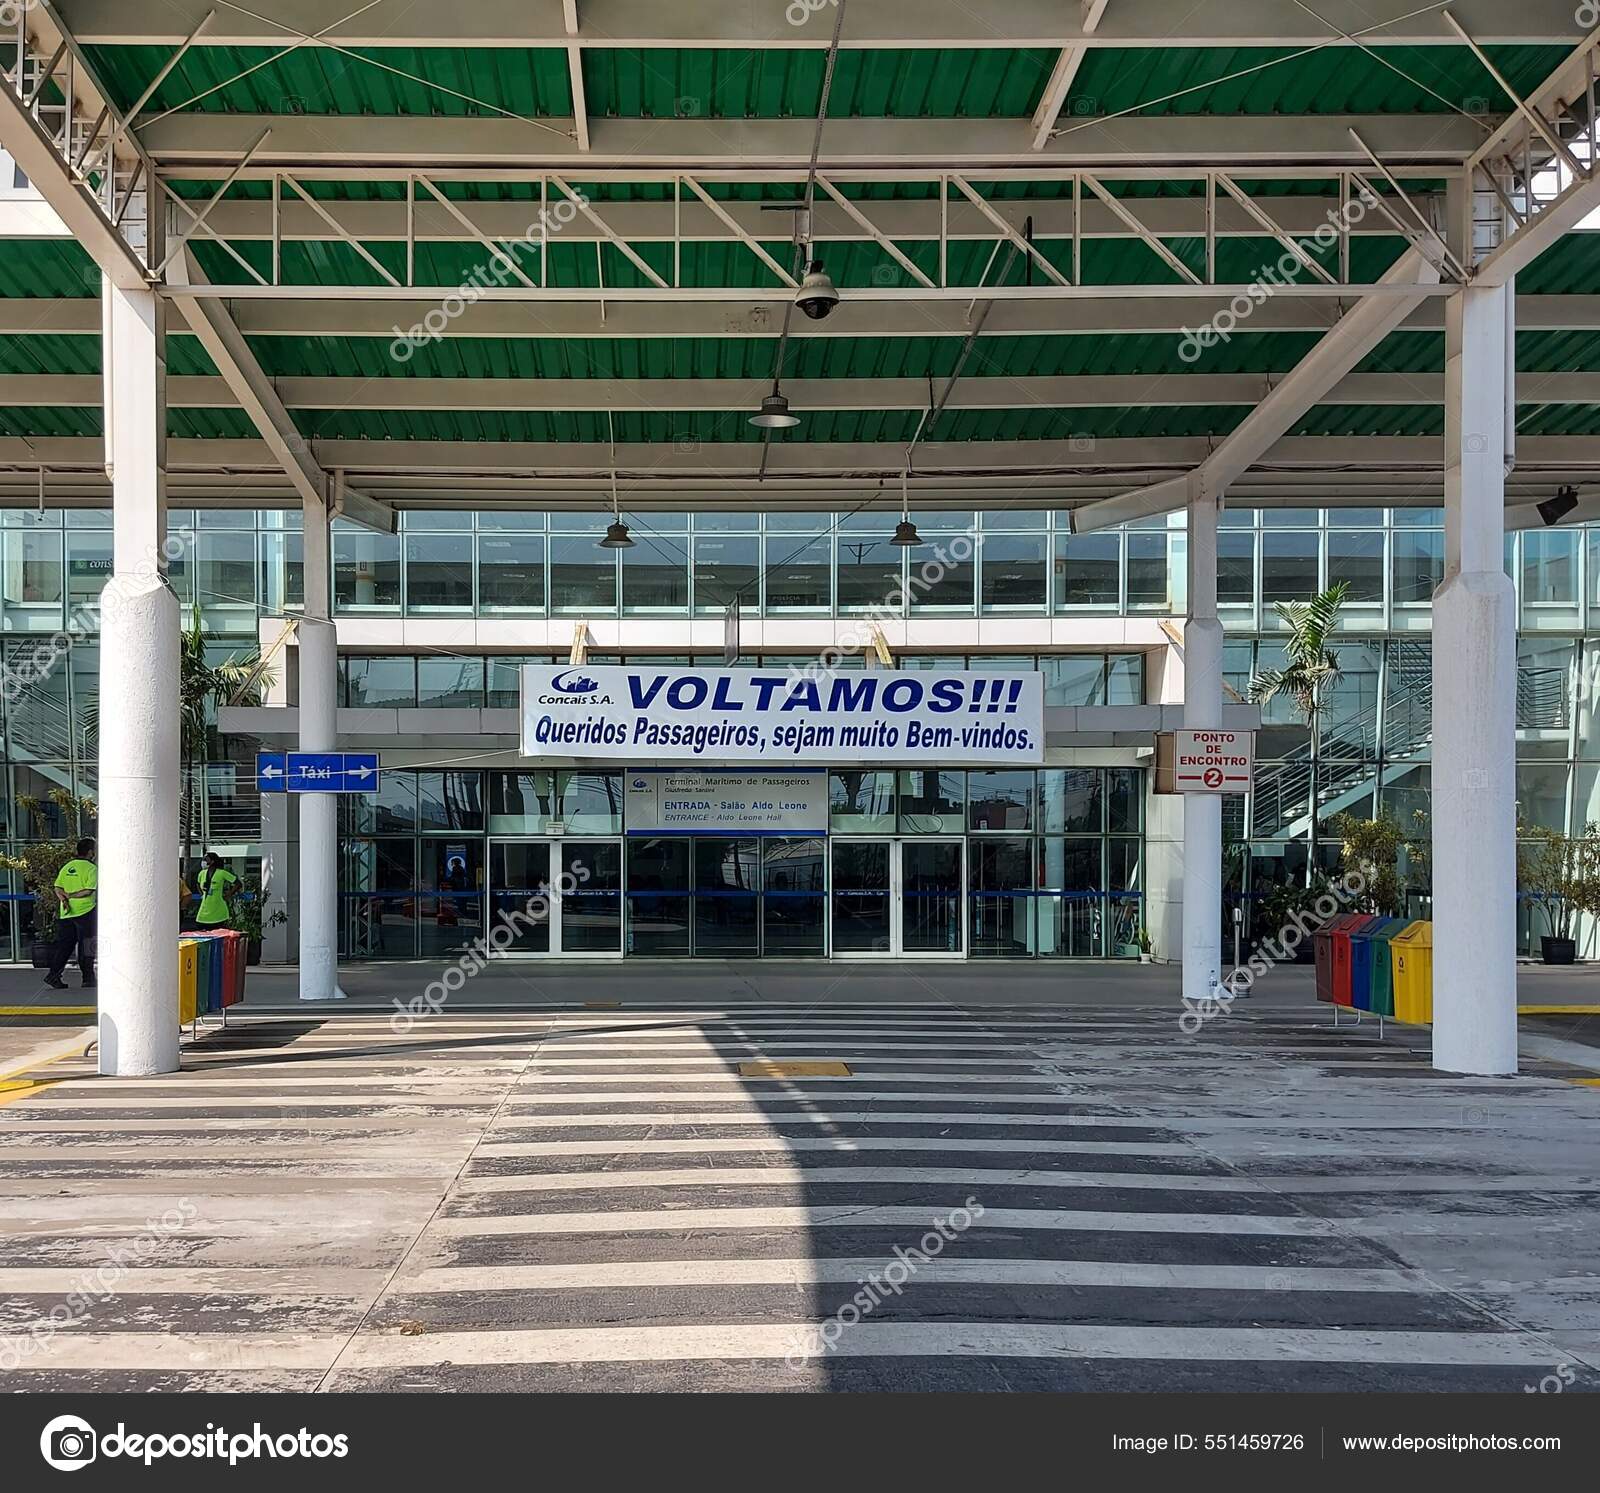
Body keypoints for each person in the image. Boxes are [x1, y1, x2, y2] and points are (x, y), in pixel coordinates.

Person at [46, 838, 97, 991]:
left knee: (65, 946)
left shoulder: (68, 867)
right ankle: (88, 978)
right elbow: (89, 890)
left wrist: (64, 899)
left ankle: (53, 974)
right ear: (90, 852)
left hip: (67, 913)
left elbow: (57, 887)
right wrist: (71, 896)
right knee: (87, 946)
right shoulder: (91, 868)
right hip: (86, 911)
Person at [194, 852, 239, 929]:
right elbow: (198, 884)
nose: (204, 861)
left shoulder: (222, 873)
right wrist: (202, 894)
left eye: (206, 859)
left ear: (212, 861)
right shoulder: (202, 873)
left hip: (218, 910)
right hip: (204, 910)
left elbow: (238, 883)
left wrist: (228, 895)